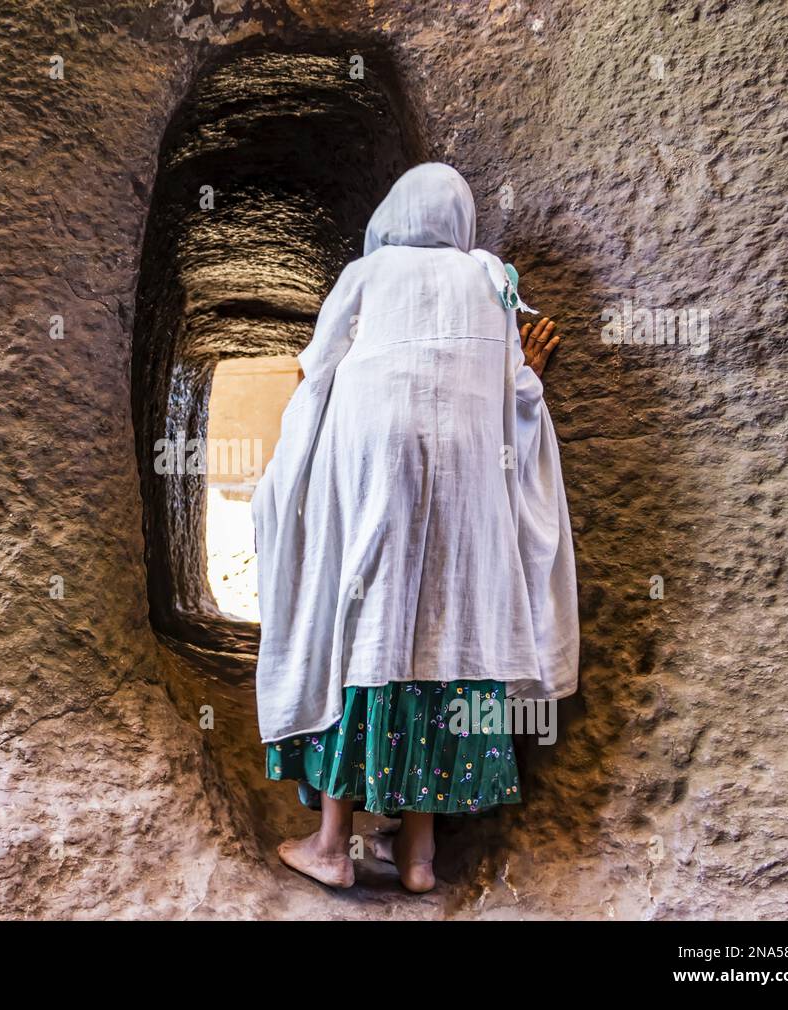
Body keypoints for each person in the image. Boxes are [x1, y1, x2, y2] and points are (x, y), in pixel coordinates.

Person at [251, 163, 579, 892]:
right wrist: (528, 373)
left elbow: (314, 375)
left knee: (361, 631)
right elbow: (513, 390)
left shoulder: (366, 273)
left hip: (373, 472)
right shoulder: (492, 278)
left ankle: (335, 847)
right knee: (448, 629)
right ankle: (420, 858)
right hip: (468, 490)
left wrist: (296, 476)